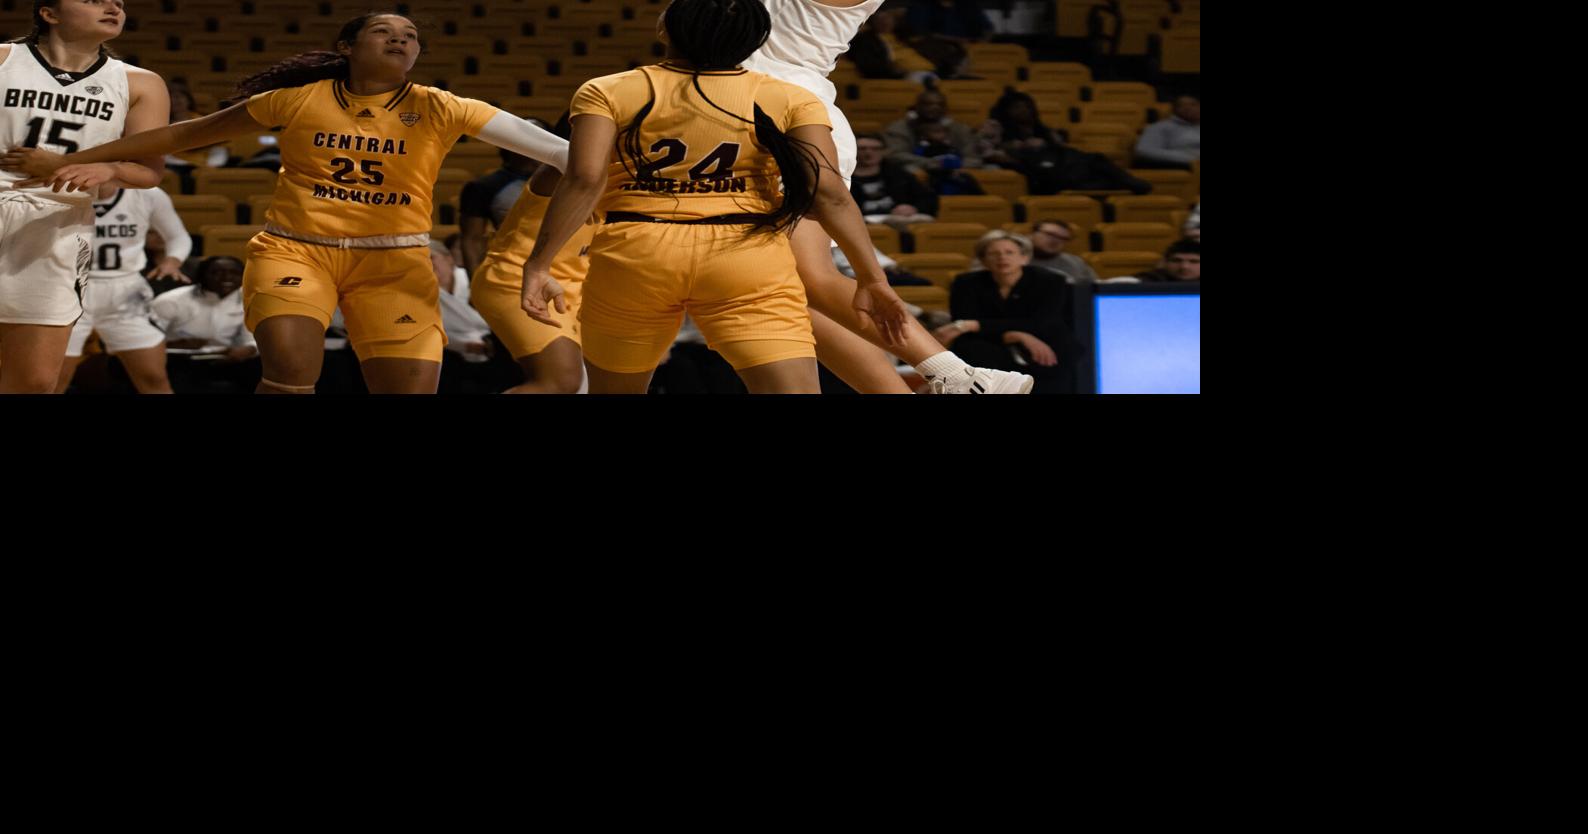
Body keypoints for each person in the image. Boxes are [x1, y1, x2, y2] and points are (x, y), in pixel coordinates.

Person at [3, 11, 571, 394]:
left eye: (410, 35)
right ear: (347, 47)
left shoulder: (443, 106)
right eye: (383, 31)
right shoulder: (296, 100)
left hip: (395, 259)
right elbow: (182, 135)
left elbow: (559, 152)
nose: (400, 39)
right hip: (297, 252)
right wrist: (81, 159)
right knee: (291, 377)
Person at [521, 0, 919, 394]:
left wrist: (539, 264)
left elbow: (584, 180)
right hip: (745, 254)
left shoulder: (608, 89)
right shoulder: (789, 97)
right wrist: (872, 277)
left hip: (636, 252)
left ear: (664, 29)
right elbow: (828, 195)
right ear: (757, 41)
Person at [739, 0, 1032, 394]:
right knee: (784, 295)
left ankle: (959, 376)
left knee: (808, 279)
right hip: (747, 115)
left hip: (787, 119)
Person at [0, 0, 170, 394]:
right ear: (49, 13)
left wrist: (108, 169)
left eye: (118, 2)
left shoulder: (140, 83)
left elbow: (149, 171)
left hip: (58, 224)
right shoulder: (5, 60)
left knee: (35, 381)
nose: (113, 6)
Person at [57, 181, 192, 393]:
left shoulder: (147, 194)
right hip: (68, 287)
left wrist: (172, 261)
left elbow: (178, 237)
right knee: (52, 381)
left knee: (153, 378)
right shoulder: (58, 190)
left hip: (127, 290)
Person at [935, 230, 1077, 394]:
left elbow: (1044, 322)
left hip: (1042, 339)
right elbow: (964, 322)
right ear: (983, 260)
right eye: (994, 254)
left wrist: (977, 325)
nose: (1002, 258)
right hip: (987, 343)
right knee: (971, 349)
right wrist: (1016, 334)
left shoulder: (1050, 281)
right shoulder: (965, 283)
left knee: (1063, 350)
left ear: (1024, 258)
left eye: (1009, 252)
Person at [151, 254, 261, 393]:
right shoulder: (170, 301)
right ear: (202, 275)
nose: (227, 277)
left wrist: (248, 349)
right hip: (178, 360)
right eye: (217, 273)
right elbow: (144, 340)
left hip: (227, 360)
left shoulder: (251, 300)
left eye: (234, 273)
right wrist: (173, 344)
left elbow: (251, 339)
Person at [456, 142, 542, 274]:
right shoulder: (483, 187)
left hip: (563, 263)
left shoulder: (566, 182)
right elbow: (472, 239)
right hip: (512, 266)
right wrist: (474, 280)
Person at [851, 131, 937, 230]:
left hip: (897, 219)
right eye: (862, 149)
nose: (868, 153)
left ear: (884, 151)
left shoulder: (898, 173)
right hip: (859, 221)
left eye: (875, 149)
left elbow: (928, 198)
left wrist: (914, 208)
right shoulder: (843, 176)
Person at [881, 89, 981, 172]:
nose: (935, 107)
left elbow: (973, 159)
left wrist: (953, 165)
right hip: (916, 171)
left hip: (954, 171)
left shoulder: (960, 129)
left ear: (946, 108)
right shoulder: (899, 128)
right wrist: (934, 164)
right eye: (928, 104)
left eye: (940, 105)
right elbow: (896, 155)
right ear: (917, 107)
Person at [1134, 95, 1199, 170]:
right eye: (1181, 105)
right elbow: (1144, 150)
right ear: (1174, 110)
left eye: (1193, 104)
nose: (1188, 108)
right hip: (1181, 165)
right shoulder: (1159, 127)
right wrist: (1190, 158)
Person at [1132, 239, 1199, 282]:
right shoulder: (1149, 279)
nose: (1184, 267)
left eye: (1194, 261)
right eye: (1176, 261)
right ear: (1164, 263)